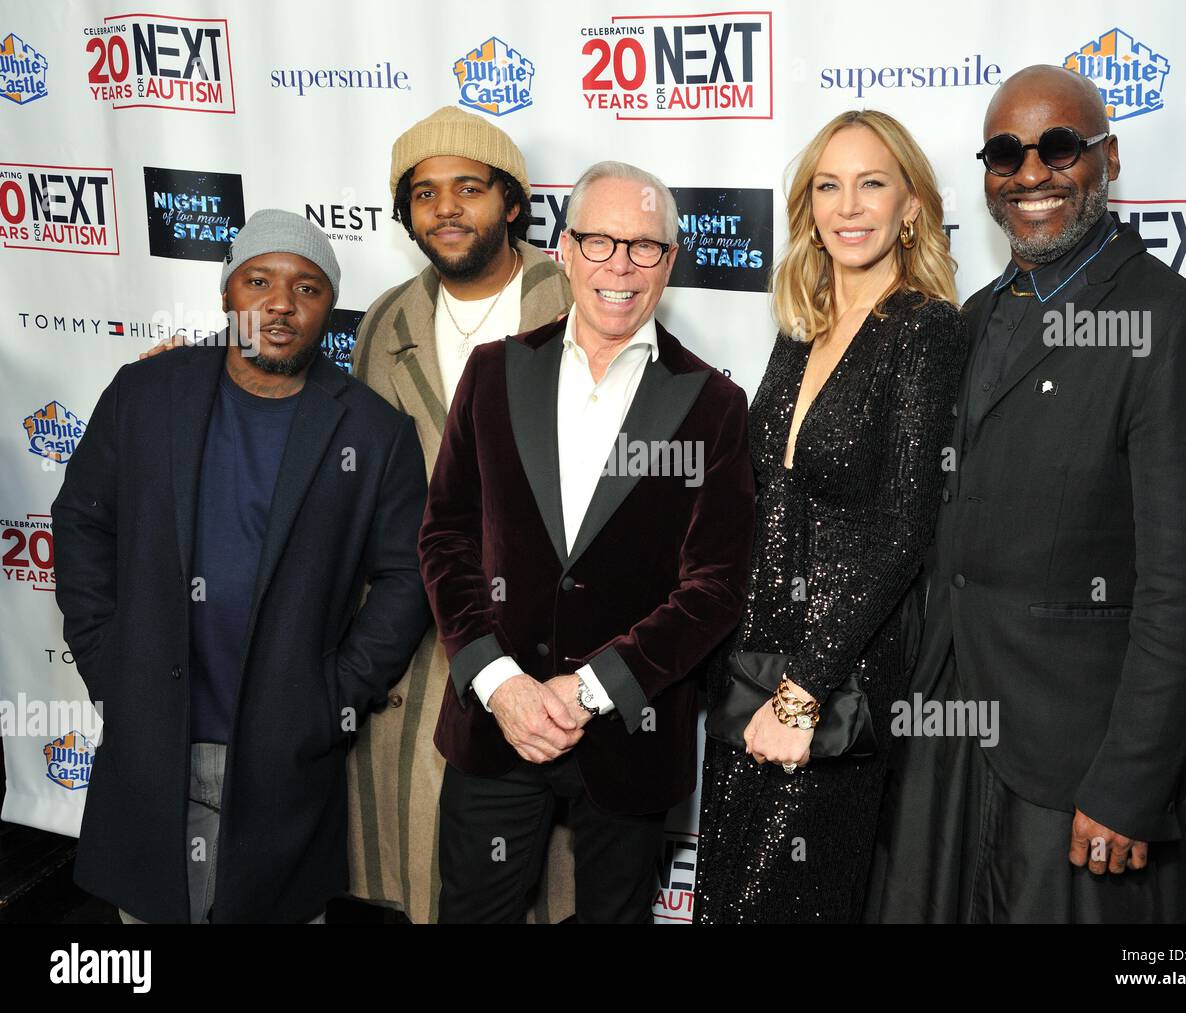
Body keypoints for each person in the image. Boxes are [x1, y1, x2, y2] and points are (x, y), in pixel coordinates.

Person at [868, 65, 1186, 923]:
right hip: (950, 734)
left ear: (1108, 158)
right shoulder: (972, 317)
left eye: (1058, 147)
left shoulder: (1174, 330)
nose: (1030, 173)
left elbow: (1182, 591)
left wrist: (1128, 786)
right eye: (1006, 153)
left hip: (1076, 764)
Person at [52, 210, 430, 923]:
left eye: (307, 288)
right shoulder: (145, 393)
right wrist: (110, 659)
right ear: (228, 293)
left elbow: (407, 577)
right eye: (259, 280)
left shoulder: (375, 433)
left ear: (328, 308)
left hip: (285, 754)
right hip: (153, 737)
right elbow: (81, 521)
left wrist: (334, 694)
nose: (281, 303)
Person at [420, 160, 755, 923]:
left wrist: (590, 687)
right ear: (563, 249)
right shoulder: (494, 371)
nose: (620, 267)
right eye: (600, 242)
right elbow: (445, 537)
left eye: (644, 247)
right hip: (495, 725)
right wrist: (498, 681)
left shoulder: (713, 403)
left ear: (670, 262)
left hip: (632, 734)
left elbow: (715, 587)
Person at [693, 111, 967, 923]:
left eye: (872, 182)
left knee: (785, 904)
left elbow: (901, 532)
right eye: (829, 185)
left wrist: (804, 690)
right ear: (808, 206)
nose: (849, 206)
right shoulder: (799, 326)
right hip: (749, 660)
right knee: (725, 902)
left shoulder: (925, 329)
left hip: (833, 676)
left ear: (911, 205)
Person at [346, 106, 574, 924]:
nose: (445, 209)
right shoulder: (385, 322)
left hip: (548, 636)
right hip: (416, 636)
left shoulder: (581, 296)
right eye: (424, 194)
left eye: (468, 188)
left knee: (542, 883)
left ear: (511, 201)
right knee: (419, 876)